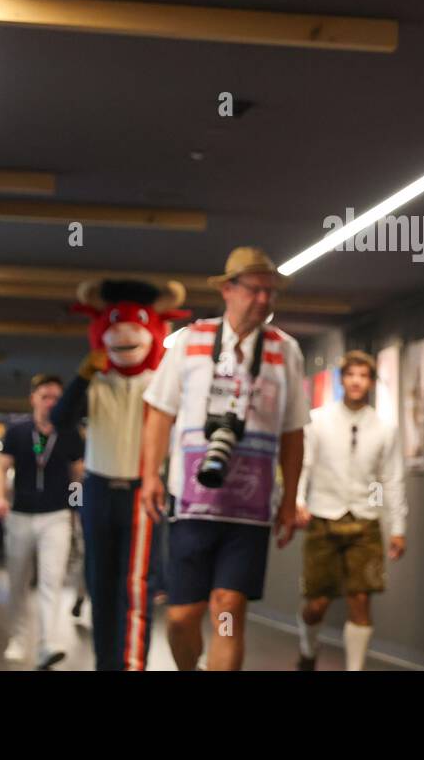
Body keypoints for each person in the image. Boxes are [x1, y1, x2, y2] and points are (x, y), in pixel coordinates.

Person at [141, 247, 310, 671]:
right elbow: (160, 412)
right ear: (227, 289)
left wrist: (289, 499)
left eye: (271, 293)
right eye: (255, 291)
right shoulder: (190, 341)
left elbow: (293, 432)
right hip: (192, 503)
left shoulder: (285, 350)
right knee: (182, 617)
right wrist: (150, 477)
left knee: (229, 611)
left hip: (248, 510)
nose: (264, 301)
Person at [51, 279, 186, 671]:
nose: (125, 334)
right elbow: (60, 420)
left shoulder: (160, 384)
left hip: (142, 491)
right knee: (99, 582)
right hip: (97, 490)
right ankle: (104, 663)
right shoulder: (95, 384)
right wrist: (82, 374)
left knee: (136, 586)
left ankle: (131, 664)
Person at [295, 350, 407, 671]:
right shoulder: (318, 420)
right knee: (316, 603)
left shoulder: (385, 428)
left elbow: (391, 478)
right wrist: (298, 500)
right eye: (351, 375)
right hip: (323, 516)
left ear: (370, 382)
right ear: (342, 378)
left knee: (360, 598)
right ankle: (308, 650)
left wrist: (397, 527)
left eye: (363, 376)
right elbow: (304, 464)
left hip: (365, 520)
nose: (356, 381)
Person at [0, 374, 84, 670]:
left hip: (56, 516)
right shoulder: (18, 430)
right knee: (17, 579)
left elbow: (77, 476)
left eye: (56, 398)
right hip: (20, 515)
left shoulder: (69, 433)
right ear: (33, 398)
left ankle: (47, 643)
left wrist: (75, 510)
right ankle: (18, 638)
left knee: (51, 580)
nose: (50, 403)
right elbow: (1, 467)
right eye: (45, 396)